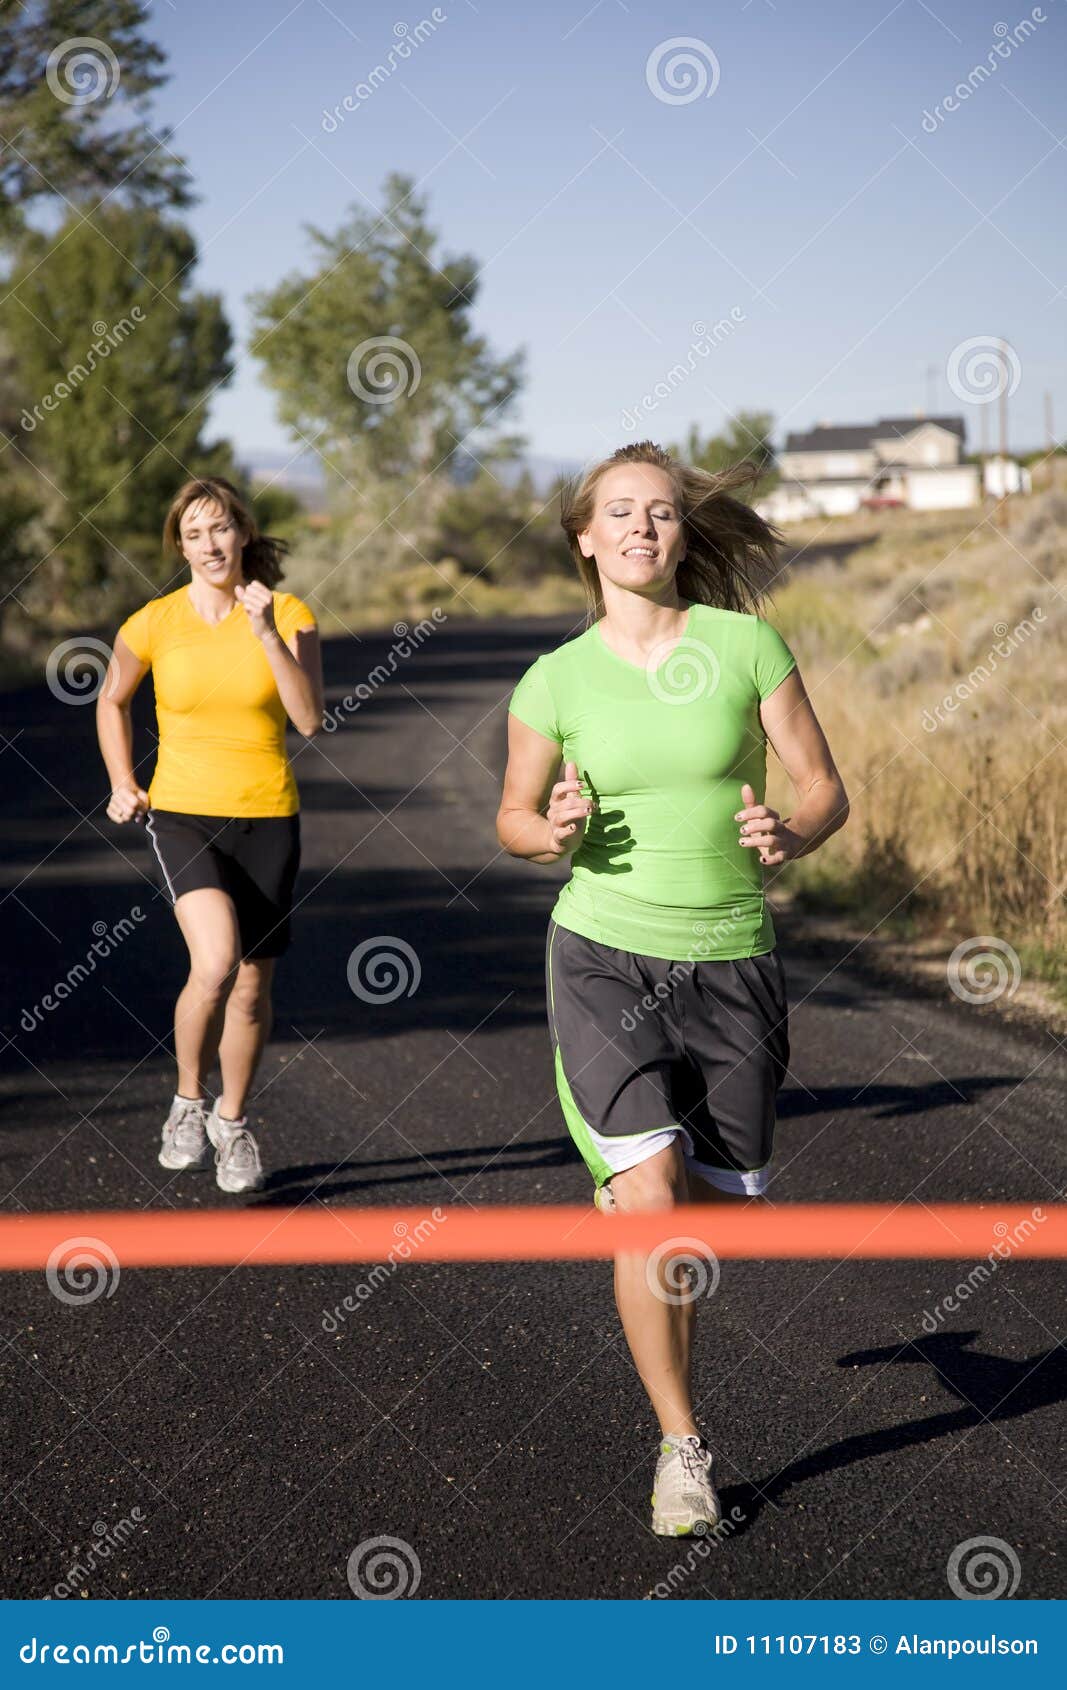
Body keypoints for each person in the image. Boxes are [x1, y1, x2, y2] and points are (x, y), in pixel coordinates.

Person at [496, 441, 849, 1536]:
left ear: (680, 536)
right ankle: (680, 1446)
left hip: (732, 957)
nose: (643, 527)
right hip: (600, 951)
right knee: (646, 1200)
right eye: (620, 511)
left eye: (661, 512)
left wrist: (788, 833)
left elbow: (824, 788)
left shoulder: (743, 645)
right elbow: (509, 818)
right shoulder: (552, 678)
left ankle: (642, 1198)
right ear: (585, 537)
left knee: (697, 1222)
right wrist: (546, 829)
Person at [97, 476, 324, 1195]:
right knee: (217, 961)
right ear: (179, 545)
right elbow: (112, 698)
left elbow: (310, 719)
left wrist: (263, 633)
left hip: (268, 816)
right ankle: (187, 1101)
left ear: (243, 533)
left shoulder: (287, 613)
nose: (208, 544)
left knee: (253, 989)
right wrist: (121, 782)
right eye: (193, 534)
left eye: (220, 529)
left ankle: (231, 1121)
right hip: (185, 813)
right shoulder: (153, 622)